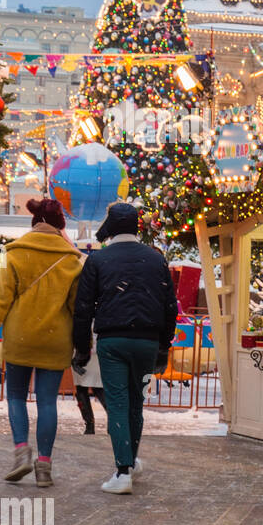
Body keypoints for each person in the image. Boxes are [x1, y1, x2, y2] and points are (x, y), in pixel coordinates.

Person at [0, 199, 83, 488]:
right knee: (48, 402)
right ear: (59, 225)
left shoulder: (13, 254)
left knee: (16, 397)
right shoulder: (72, 260)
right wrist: (81, 341)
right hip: (55, 340)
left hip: (20, 338)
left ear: (34, 222)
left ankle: (21, 451)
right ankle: (44, 466)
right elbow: (77, 307)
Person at [72, 203, 178, 495]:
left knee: (117, 401)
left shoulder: (98, 260)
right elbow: (171, 306)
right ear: (136, 227)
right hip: (147, 342)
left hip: (112, 342)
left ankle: (123, 471)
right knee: (137, 401)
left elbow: (83, 309)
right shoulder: (156, 260)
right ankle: (130, 459)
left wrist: (81, 348)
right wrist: (163, 345)